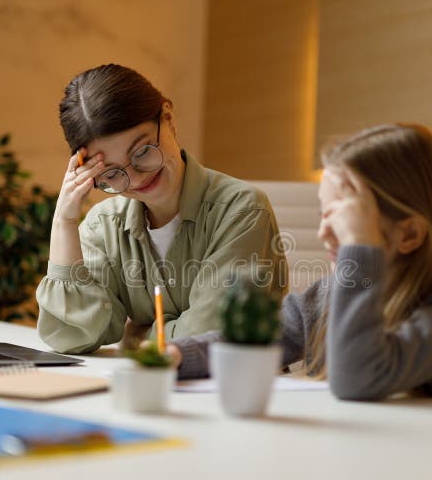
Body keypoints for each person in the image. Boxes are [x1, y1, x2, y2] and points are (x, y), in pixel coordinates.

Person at [166, 124, 432, 406]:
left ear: (410, 233)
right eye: (323, 215)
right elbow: (257, 338)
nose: (322, 232)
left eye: (345, 221)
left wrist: (359, 251)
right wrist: (177, 355)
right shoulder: (329, 293)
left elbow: (356, 378)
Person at [37, 64, 286, 354]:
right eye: (112, 173)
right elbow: (71, 336)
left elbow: (207, 337)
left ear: (168, 118)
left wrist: (134, 336)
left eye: (143, 152)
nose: (138, 177)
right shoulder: (103, 225)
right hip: (151, 386)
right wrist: (64, 221)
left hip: (237, 389)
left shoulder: (241, 209)